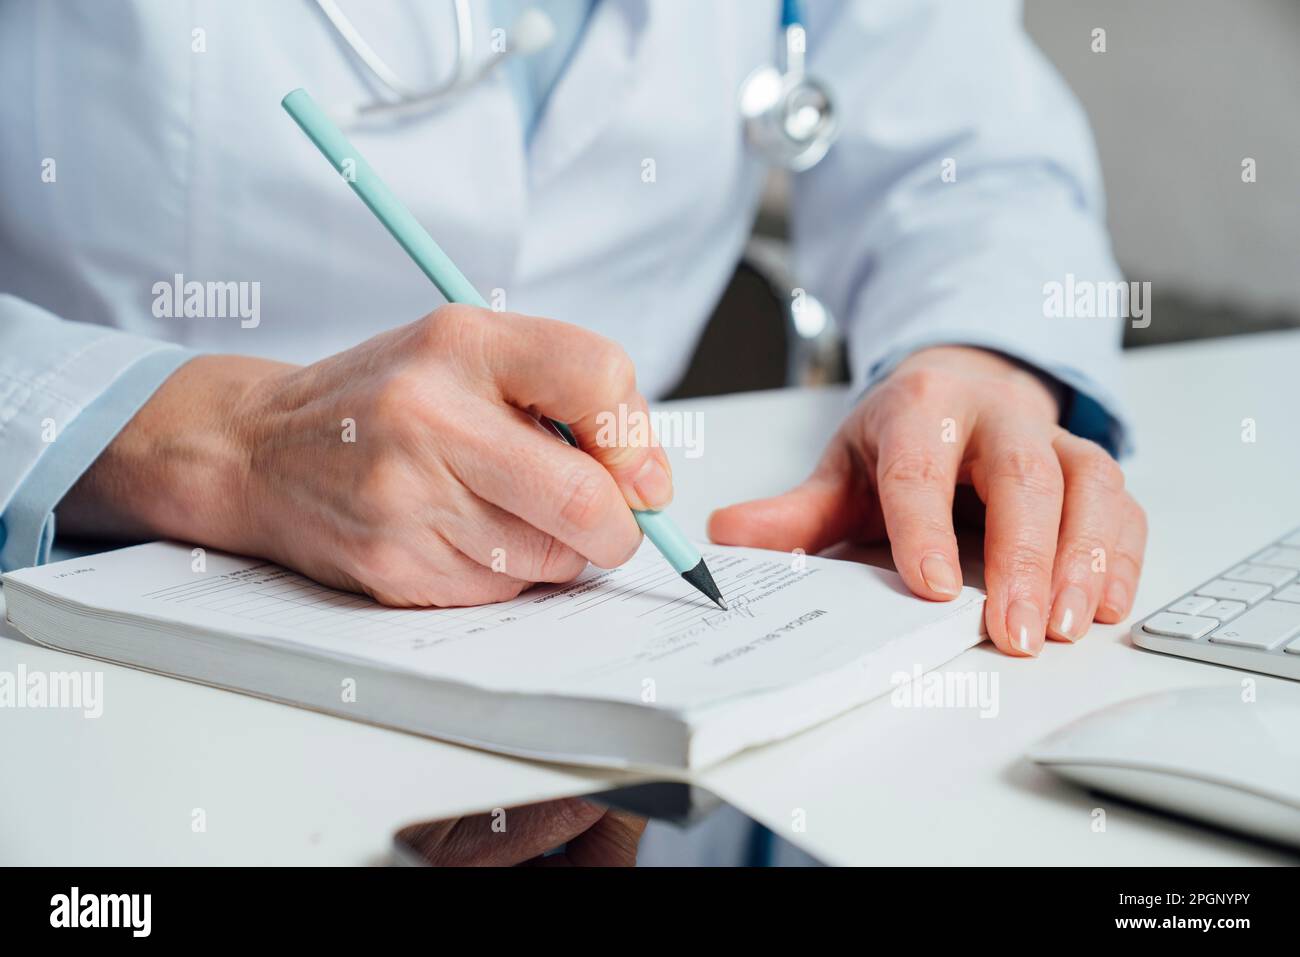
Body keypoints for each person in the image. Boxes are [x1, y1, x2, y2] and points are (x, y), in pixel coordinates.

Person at [0, 0, 1145, 661]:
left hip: (606, 712)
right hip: (112, 662)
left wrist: (976, 356)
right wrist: (227, 440)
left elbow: (972, 158)